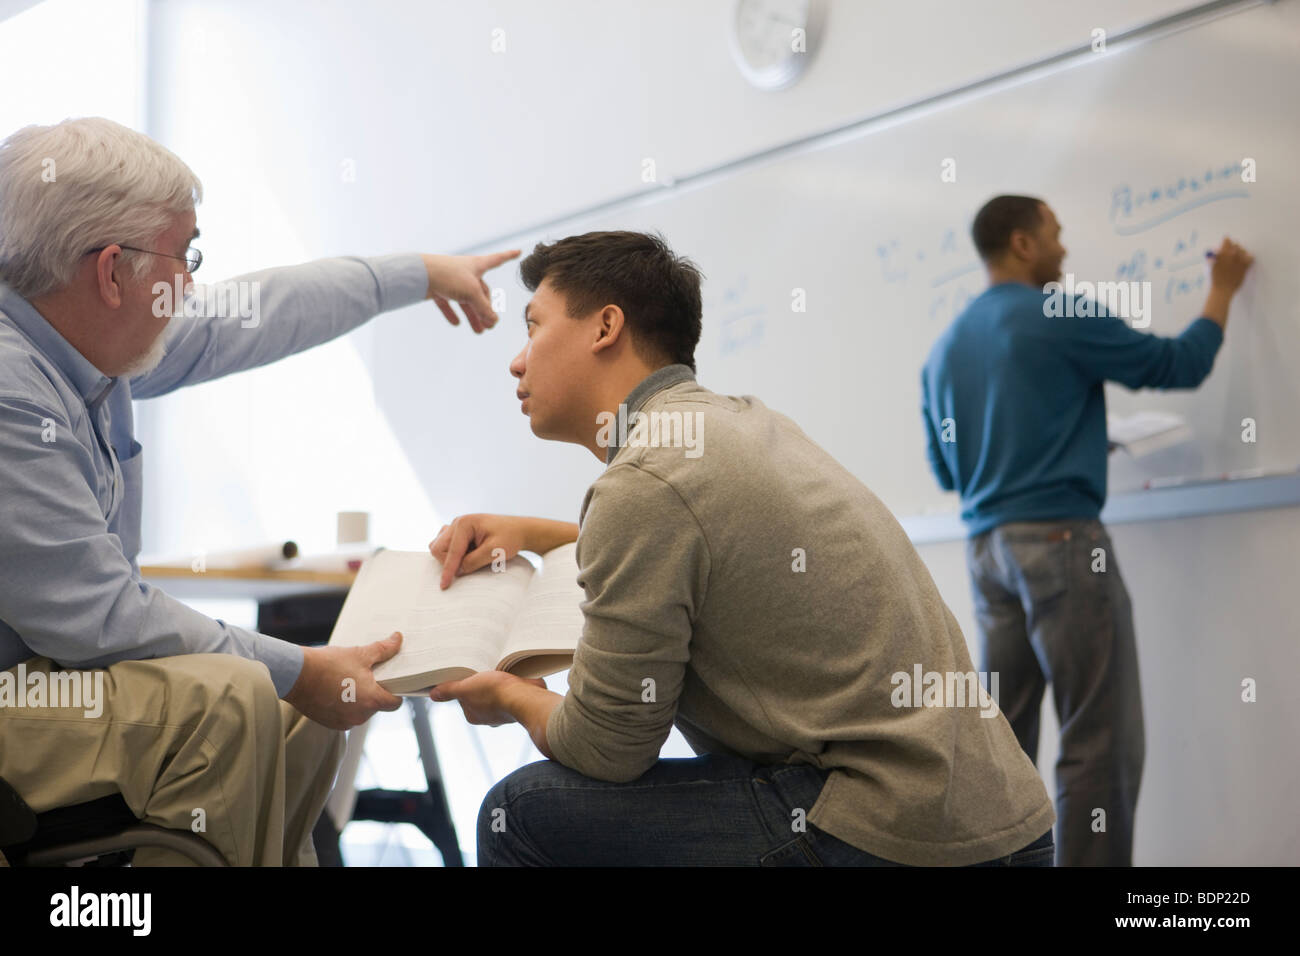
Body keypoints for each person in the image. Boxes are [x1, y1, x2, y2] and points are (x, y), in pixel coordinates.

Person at [427, 230, 1056, 867]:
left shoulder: (645, 483)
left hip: (885, 831)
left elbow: (606, 746)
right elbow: (708, 548)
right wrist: (536, 534)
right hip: (1006, 824)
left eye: (533, 326)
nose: (517, 360)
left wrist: (510, 696)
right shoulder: (739, 425)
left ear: (604, 327)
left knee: (524, 813)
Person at [0, 117, 518, 865]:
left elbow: (260, 312)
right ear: (112, 273)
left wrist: (421, 273)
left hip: (53, 684)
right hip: (22, 698)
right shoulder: (14, 392)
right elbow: (99, 621)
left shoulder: (85, 345)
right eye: (187, 255)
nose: (193, 282)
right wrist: (302, 669)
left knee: (301, 711)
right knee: (246, 695)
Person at [920, 195, 1254, 865]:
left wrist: (1049, 442)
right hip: (1063, 547)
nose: (1065, 250)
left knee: (1004, 751)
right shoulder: (1057, 313)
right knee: (1097, 744)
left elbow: (947, 470)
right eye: (1056, 235)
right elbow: (1176, 365)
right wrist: (1221, 292)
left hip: (989, 557)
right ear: (1021, 243)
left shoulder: (945, 349)